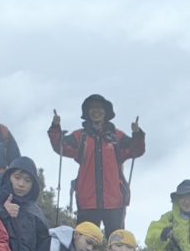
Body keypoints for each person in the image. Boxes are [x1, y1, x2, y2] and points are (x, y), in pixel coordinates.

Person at [49, 96, 146, 233]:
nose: (96, 111)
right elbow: (60, 146)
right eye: (92, 108)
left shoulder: (117, 137)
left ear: (106, 112)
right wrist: (55, 127)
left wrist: (137, 135)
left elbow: (137, 150)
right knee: (84, 239)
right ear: (87, 112)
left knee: (116, 240)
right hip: (87, 200)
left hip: (114, 201)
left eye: (99, 108)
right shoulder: (80, 136)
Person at [0, 156, 53, 251]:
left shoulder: (36, 214)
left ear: (34, 185)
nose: (21, 184)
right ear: (8, 177)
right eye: (17, 177)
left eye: (28, 180)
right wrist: (2, 212)